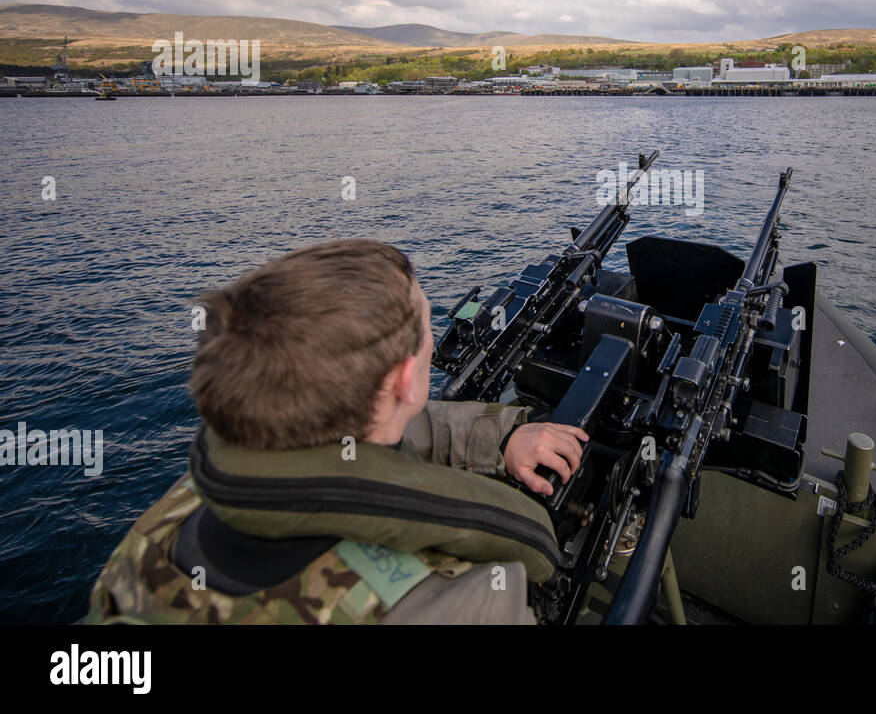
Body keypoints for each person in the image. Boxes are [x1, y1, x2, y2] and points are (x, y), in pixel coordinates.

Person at [85, 239, 587, 624]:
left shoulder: (180, 505)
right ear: (404, 380)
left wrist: (501, 437)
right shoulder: (465, 602)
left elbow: (379, 443)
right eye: (428, 326)